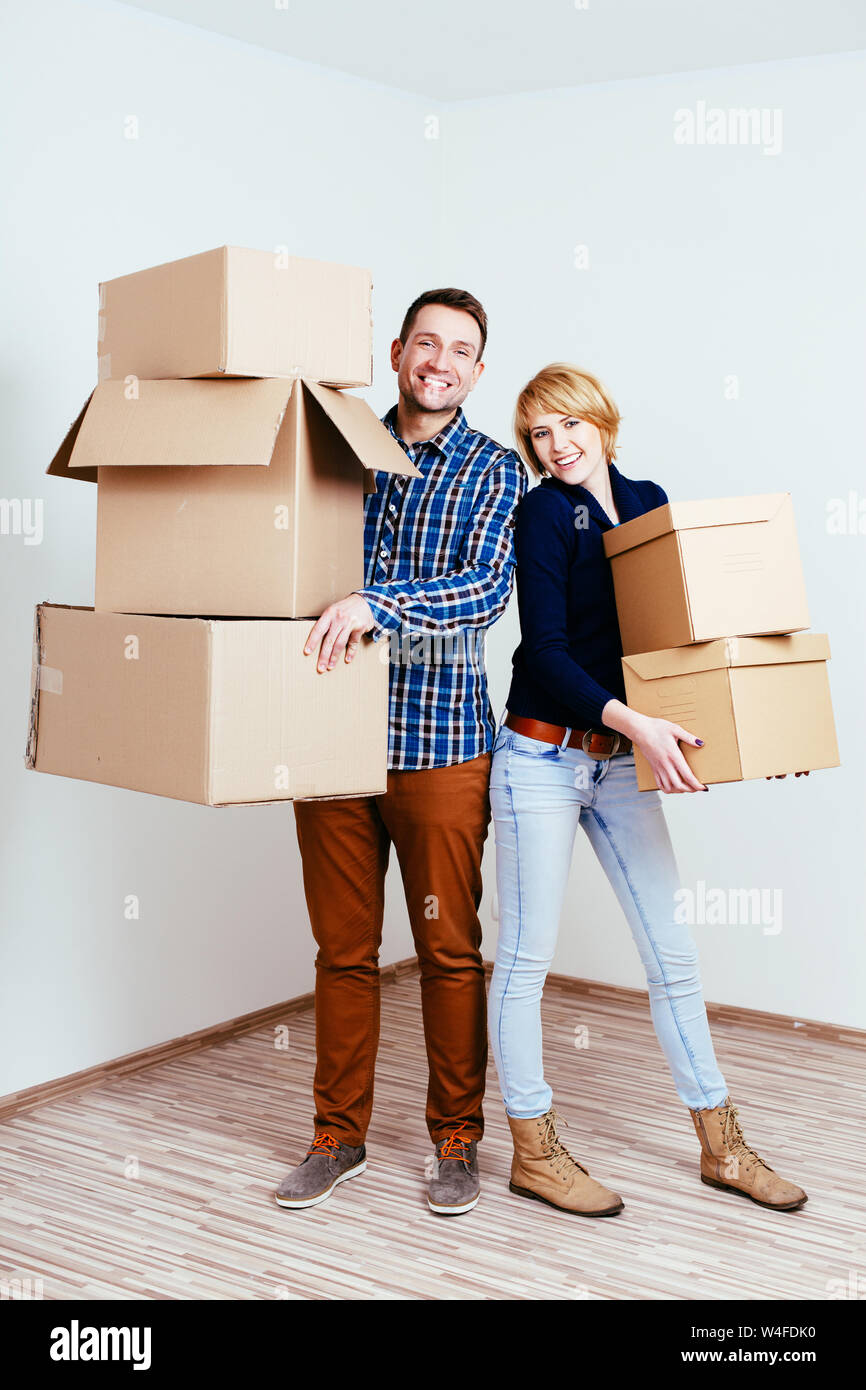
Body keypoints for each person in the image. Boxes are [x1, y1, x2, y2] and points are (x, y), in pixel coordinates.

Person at [487, 362, 808, 1216]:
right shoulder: (543, 511)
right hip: (542, 757)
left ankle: (722, 1147)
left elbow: (680, 639)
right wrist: (636, 726)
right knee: (523, 962)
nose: (555, 446)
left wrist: (756, 733)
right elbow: (547, 653)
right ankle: (533, 1151)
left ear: (601, 420)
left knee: (674, 957)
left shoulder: (649, 499)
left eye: (567, 425)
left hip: (623, 758)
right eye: (538, 434)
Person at [274, 289, 528, 1215]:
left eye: (461, 350)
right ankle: (337, 1138)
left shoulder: (498, 473)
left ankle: (455, 1144)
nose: (441, 361)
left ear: (477, 371)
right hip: (332, 743)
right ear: (397, 351)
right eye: (428, 342)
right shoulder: (338, 453)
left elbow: (484, 590)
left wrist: (378, 604)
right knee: (343, 951)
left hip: (441, 749)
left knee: (449, 952)